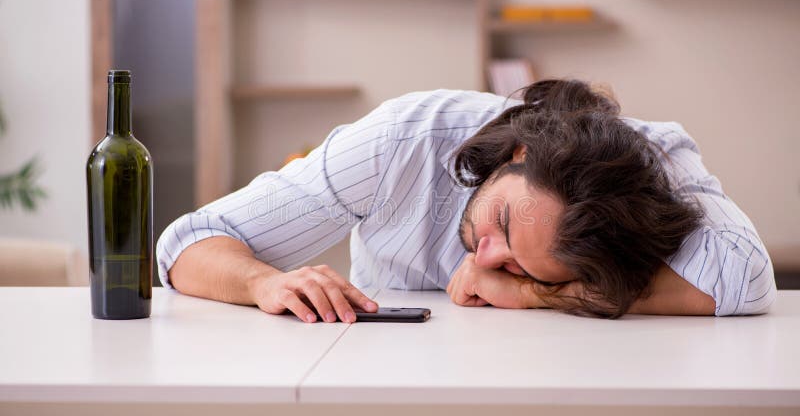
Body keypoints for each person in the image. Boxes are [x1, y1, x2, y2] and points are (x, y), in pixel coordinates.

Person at [156, 79, 776, 322]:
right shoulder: (398, 142)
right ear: (518, 154)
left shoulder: (656, 164)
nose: (486, 254)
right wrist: (265, 283)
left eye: (518, 263)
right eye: (502, 220)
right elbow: (186, 242)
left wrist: (535, 293)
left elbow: (745, 277)